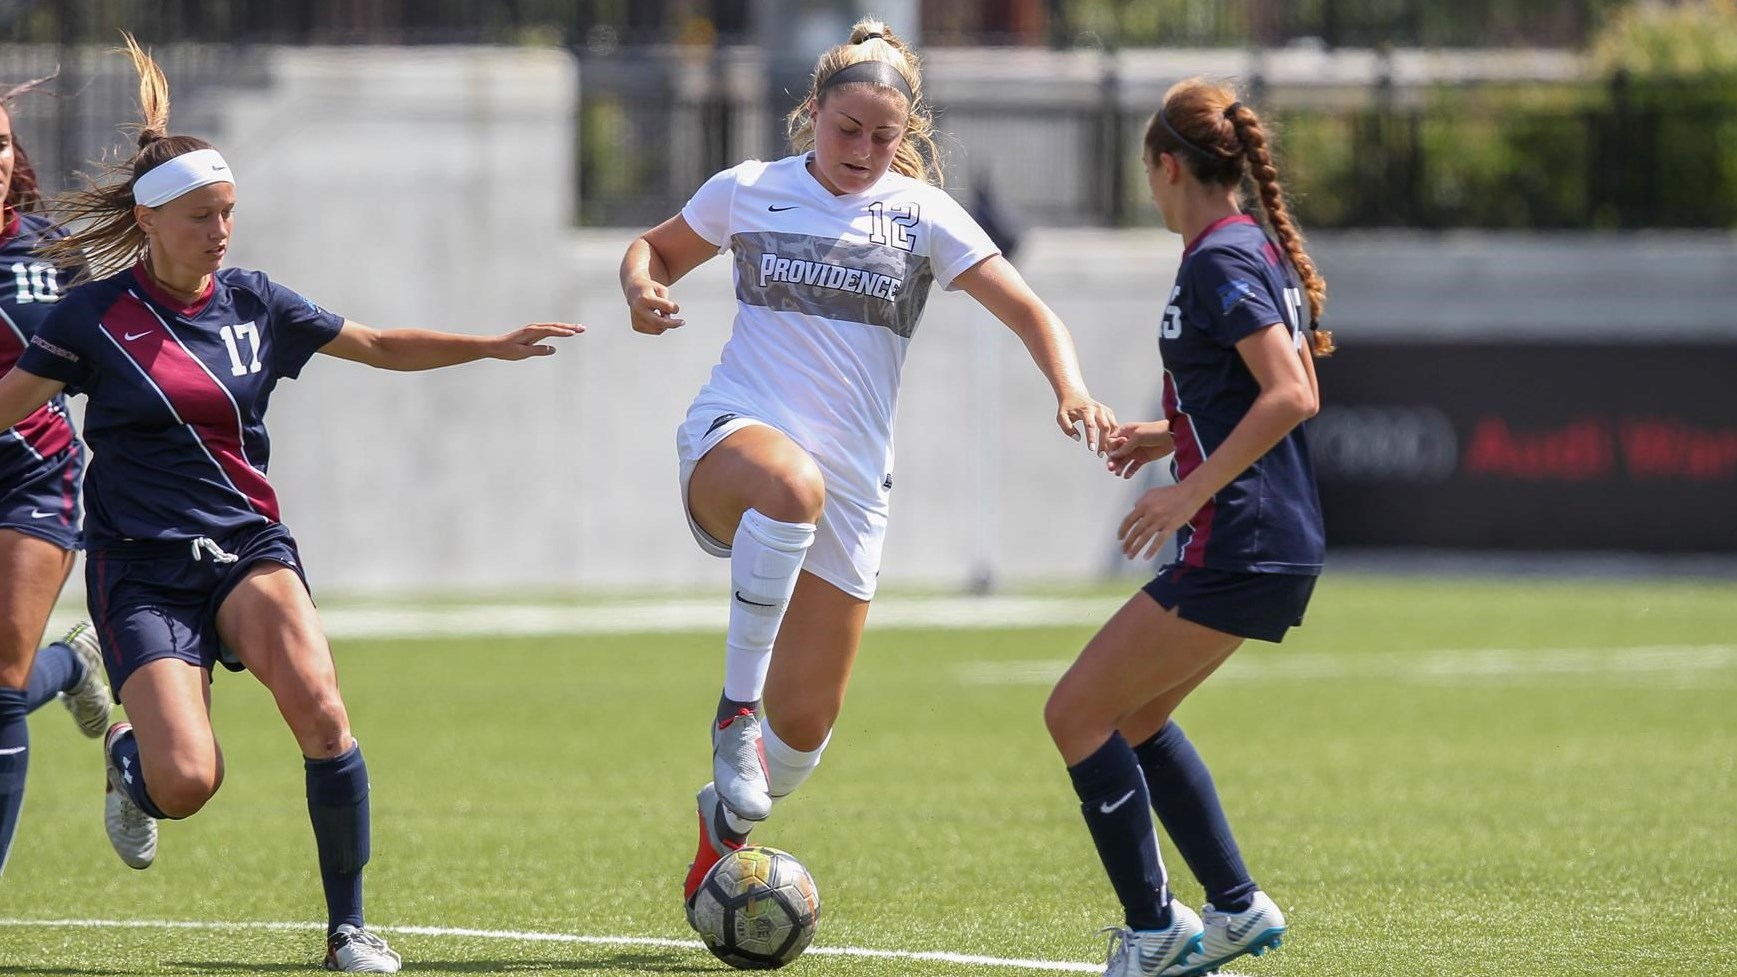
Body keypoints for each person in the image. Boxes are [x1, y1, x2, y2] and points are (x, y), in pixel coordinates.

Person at [0, 37, 580, 973]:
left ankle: (349, 928)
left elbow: (381, 344)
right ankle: (128, 761)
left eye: (229, 212)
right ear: (150, 221)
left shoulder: (255, 302)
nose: (221, 231)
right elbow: (6, 408)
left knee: (322, 711)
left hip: (245, 549)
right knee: (186, 781)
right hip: (140, 568)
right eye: (201, 216)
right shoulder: (91, 318)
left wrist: (490, 342)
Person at [619, 19, 1117, 908]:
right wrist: (641, 286)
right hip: (733, 438)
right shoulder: (748, 189)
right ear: (811, 113)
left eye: (884, 136)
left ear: (908, 134)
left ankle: (717, 835)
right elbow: (652, 247)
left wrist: (1069, 388)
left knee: (802, 738)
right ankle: (733, 712)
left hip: (854, 488)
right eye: (847, 128)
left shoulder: (921, 214)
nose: (863, 149)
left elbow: (1033, 312)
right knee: (788, 485)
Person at [1043, 78, 1333, 977]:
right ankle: (1237, 910)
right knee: (1137, 718)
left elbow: (1293, 393)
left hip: (1240, 535)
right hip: (1270, 539)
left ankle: (1157, 931)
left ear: (1168, 166)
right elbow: (1244, 389)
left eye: (1149, 174)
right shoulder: (1242, 248)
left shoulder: (1217, 257)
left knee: (1075, 712)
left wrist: (1184, 488)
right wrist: (1164, 436)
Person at [0, 73, 115, 880]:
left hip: (34, 478)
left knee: (0, 684)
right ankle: (74, 666)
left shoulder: (49, 252)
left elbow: (114, 352)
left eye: (0, 143)